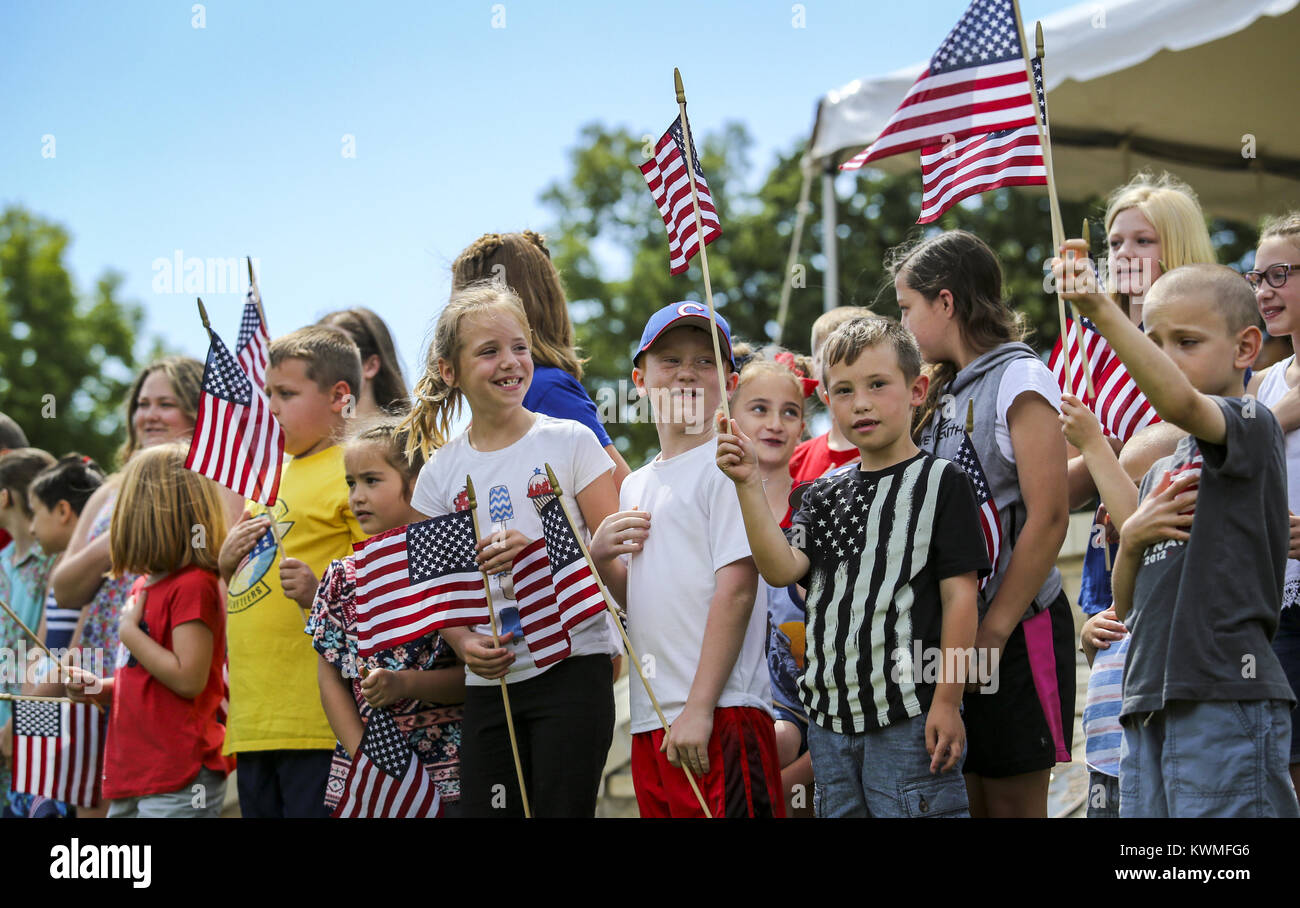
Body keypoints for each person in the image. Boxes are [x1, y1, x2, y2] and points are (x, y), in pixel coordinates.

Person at [1055, 248, 1298, 817]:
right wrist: (1133, 537)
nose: (1163, 359)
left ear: (1245, 349)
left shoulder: (1250, 425)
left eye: (1184, 342)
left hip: (1222, 694)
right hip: (1148, 698)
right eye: (1154, 341)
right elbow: (1126, 600)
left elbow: (1178, 399)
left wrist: (1098, 306)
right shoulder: (1166, 466)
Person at [719, 317, 988, 817]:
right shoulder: (817, 494)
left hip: (908, 715)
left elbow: (960, 596)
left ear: (917, 389)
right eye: (843, 391)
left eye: (877, 384)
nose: (860, 402)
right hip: (828, 723)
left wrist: (948, 700)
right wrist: (747, 485)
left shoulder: (941, 482)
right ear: (827, 399)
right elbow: (780, 568)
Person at [403, 281, 620, 817]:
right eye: (489, 351)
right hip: (490, 682)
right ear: (449, 371)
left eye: (519, 347)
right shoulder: (438, 476)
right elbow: (434, 588)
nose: (510, 362)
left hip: (574, 665)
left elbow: (616, 560)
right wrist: (460, 641)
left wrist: (546, 553)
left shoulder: (571, 442)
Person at [896, 230, 1072, 818]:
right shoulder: (937, 392)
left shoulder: (1021, 377)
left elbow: (1047, 518)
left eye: (906, 308)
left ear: (944, 302)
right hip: (953, 644)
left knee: (1012, 805)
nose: (903, 324)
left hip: (1017, 631)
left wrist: (993, 633)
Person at [590, 302, 783, 818]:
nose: (687, 373)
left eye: (705, 361)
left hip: (722, 711)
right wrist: (602, 559)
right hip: (655, 719)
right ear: (640, 378)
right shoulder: (634, 484)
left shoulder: (730, 466)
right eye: (670, 360)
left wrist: (699, 707)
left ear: (731, 381)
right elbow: (642, 600)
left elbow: (738, 590)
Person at [217, 325, 367, 818]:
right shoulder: (265, 476)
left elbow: (384, 584)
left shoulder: (354, 470)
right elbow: (248, 580)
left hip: (318, 719)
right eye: (267, 394)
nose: (271, 407)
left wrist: (320, 592)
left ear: (338, 397)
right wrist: (224, 564)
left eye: (286, 393)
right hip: (256, 719)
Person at [65, 443, 233, 817]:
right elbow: (145, 684)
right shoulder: (144, 585)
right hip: (136, 773)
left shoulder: (193, 585)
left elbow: (188, 679)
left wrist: (130, 634)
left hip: (179, 774)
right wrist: (98, 688)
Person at [309, 419, 465, 816]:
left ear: (416, 482)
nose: (356, 497)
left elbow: (478, 676)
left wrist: (405, 683)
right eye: (350, 483)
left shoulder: (451, 565)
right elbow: (330, 680)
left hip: (451, 776)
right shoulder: (342, 578)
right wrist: (370, 758)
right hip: (371, 779)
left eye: (371, 481)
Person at [1060, 401, 1184, 818]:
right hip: (1106, 767)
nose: (1107, 509)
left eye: (1134, 484)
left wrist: (1093, 444)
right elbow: (1111, 666)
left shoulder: (1183, 579)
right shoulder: (1121, 585)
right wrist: (1091, 638)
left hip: (1160, 766)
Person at [451, 231, 631, 489]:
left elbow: (625, 494)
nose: (450, 321)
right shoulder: (499, 405)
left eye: (461, 305)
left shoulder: (544, 389)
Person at [724, 342, 817, 816]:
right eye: (759, 409)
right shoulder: (713, 510)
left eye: (789, 412)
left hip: (799, 710)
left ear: (804, 425)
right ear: (730, 414)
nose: (775, 424)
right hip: (725, 700)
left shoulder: (816, 507)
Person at [4, 454, 107, 819]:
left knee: (64, 800)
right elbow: (39, 646)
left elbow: (79, 653)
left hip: (68, 709)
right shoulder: (60, 573)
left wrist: (22, 716)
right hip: (43, 708)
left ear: (63, 512)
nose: (31, 529)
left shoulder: (88, 577)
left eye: (36, 513)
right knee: (38, 796)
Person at [1244, 211, 1300, 795]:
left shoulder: (1259, 401)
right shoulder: (1264, 381)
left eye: (1280, 273)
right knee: (1279, 776)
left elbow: (1242, 436)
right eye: (1257, 276)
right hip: (1275, 605)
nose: (1263, 290)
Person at [0, 448, 57, 814]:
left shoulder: (54, 561)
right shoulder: (2, 561)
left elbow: (53, 648)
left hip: (29, 719)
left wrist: (18, 724)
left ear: (4, 496)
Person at [788, 307, 874, 485]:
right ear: (813, 367)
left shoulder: (899, 450)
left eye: (856, 357)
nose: (844, 369)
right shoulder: (795, 459)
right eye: (829, 356)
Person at [318, 307, 411, 417]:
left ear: (371, 366)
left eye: (334, 355)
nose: (318, 367)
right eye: (313, 356)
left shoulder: (410, 433)